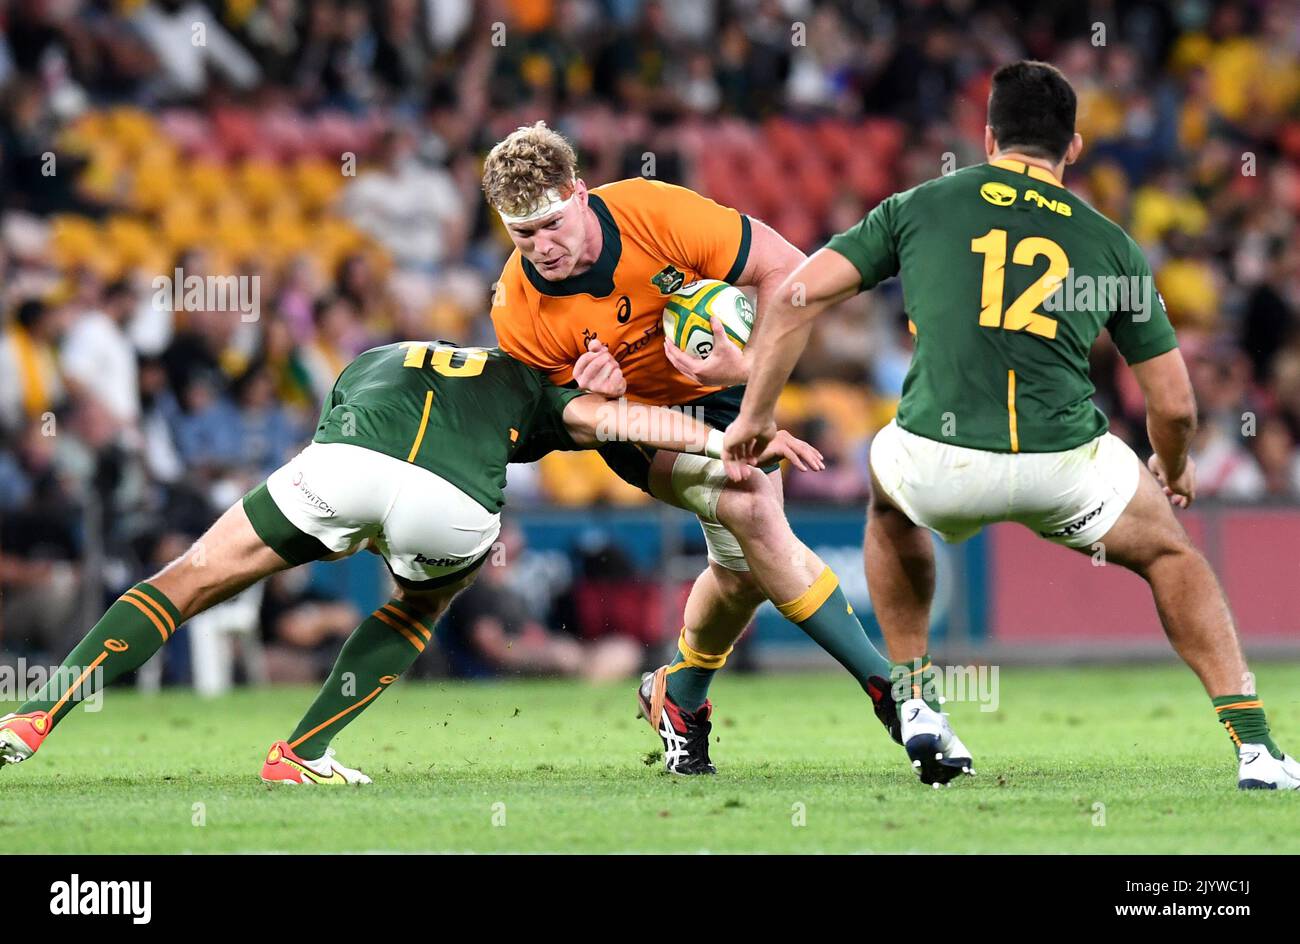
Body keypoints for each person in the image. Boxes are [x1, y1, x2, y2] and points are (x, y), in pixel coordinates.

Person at [725, 60, 1299, 790]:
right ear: (1076, 148)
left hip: (939, 460)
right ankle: (1255, 750)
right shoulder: (1112, 245)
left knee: (888, 500)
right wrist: (1175, 465)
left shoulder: (918, 205)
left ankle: (919, 701)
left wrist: (756, 414)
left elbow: (797, 295)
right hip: (1065, 464)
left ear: (988, 136)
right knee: (1173, 557)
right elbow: (1176, 404)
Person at [0, 341, 819, 784]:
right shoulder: (535, 388)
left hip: (343, 465)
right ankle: (303, 755)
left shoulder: (375, 355)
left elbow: (337, 428)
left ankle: (35, 717)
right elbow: (627, 423)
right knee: (417, 605)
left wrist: (346, 520)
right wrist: (729, 436)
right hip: (454, 506)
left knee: (185, 581)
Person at [483, 121, 927, 777]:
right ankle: (895, 695)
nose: (541, 247)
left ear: (580, 192)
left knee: (747, 568)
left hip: (725, 389)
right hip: (636, 423)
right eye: (523, 234)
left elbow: (786, 270)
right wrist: (594, 399)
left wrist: (746, 372)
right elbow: (562, 423)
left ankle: (679, 695)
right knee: (749, 507)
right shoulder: (517, 312)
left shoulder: (654, 211)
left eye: (551, 223)